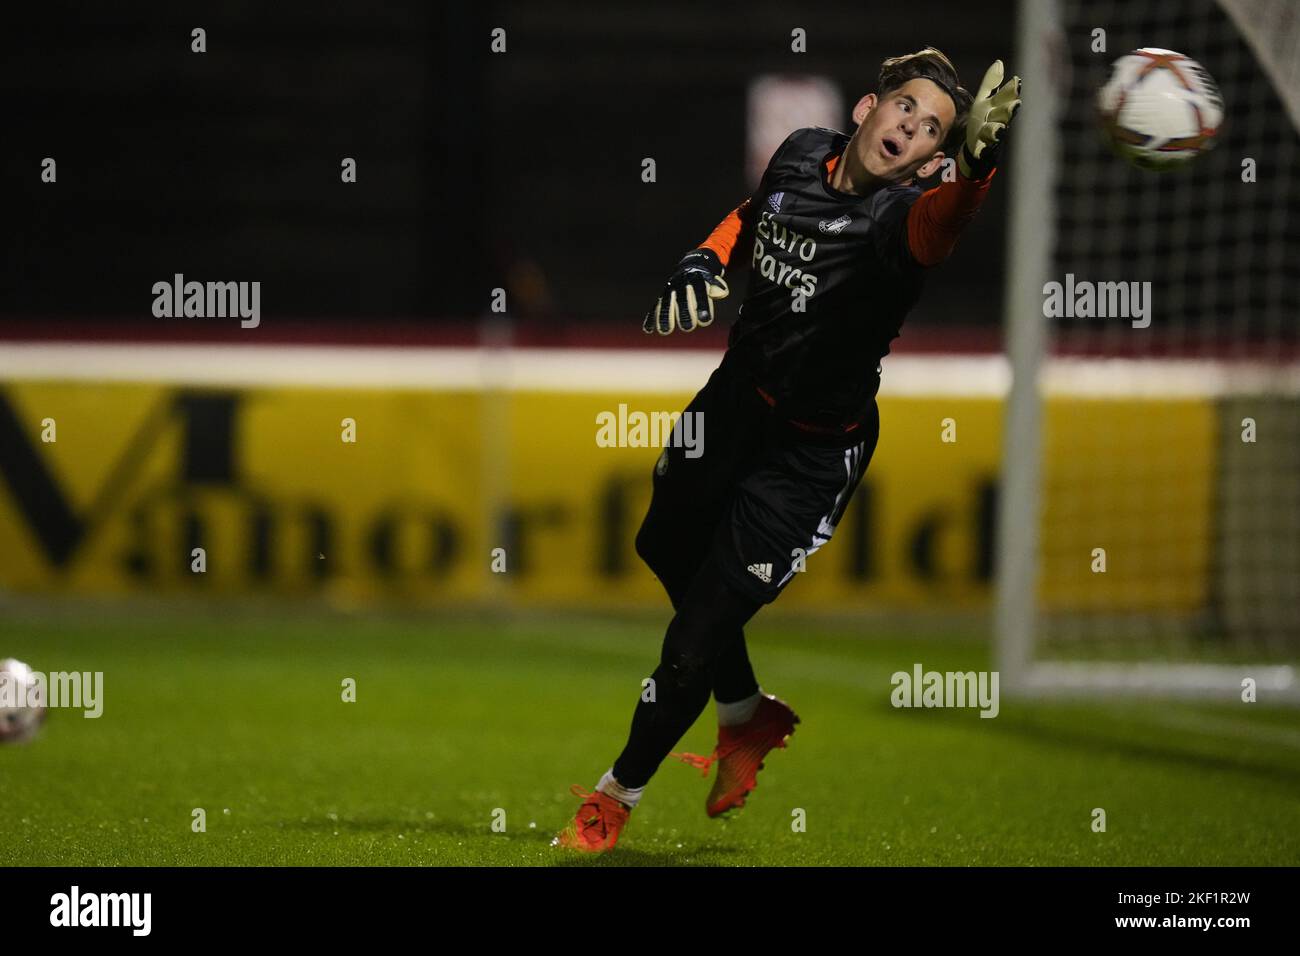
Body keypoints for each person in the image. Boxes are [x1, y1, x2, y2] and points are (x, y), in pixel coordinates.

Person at [553, 47, 1021, 852]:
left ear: (931, 160)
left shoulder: (898, 228)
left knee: (694, 634)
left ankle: (612, 800)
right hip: (735, 405)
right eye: (905, 107)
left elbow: (945, 224)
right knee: (660, 542)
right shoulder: (801, 151)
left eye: (933, 131)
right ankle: (744, 713)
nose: (910, 128)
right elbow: (753, 210)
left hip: (807, 458)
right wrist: (707, 256)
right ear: (865, 109)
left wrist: (976, 168)